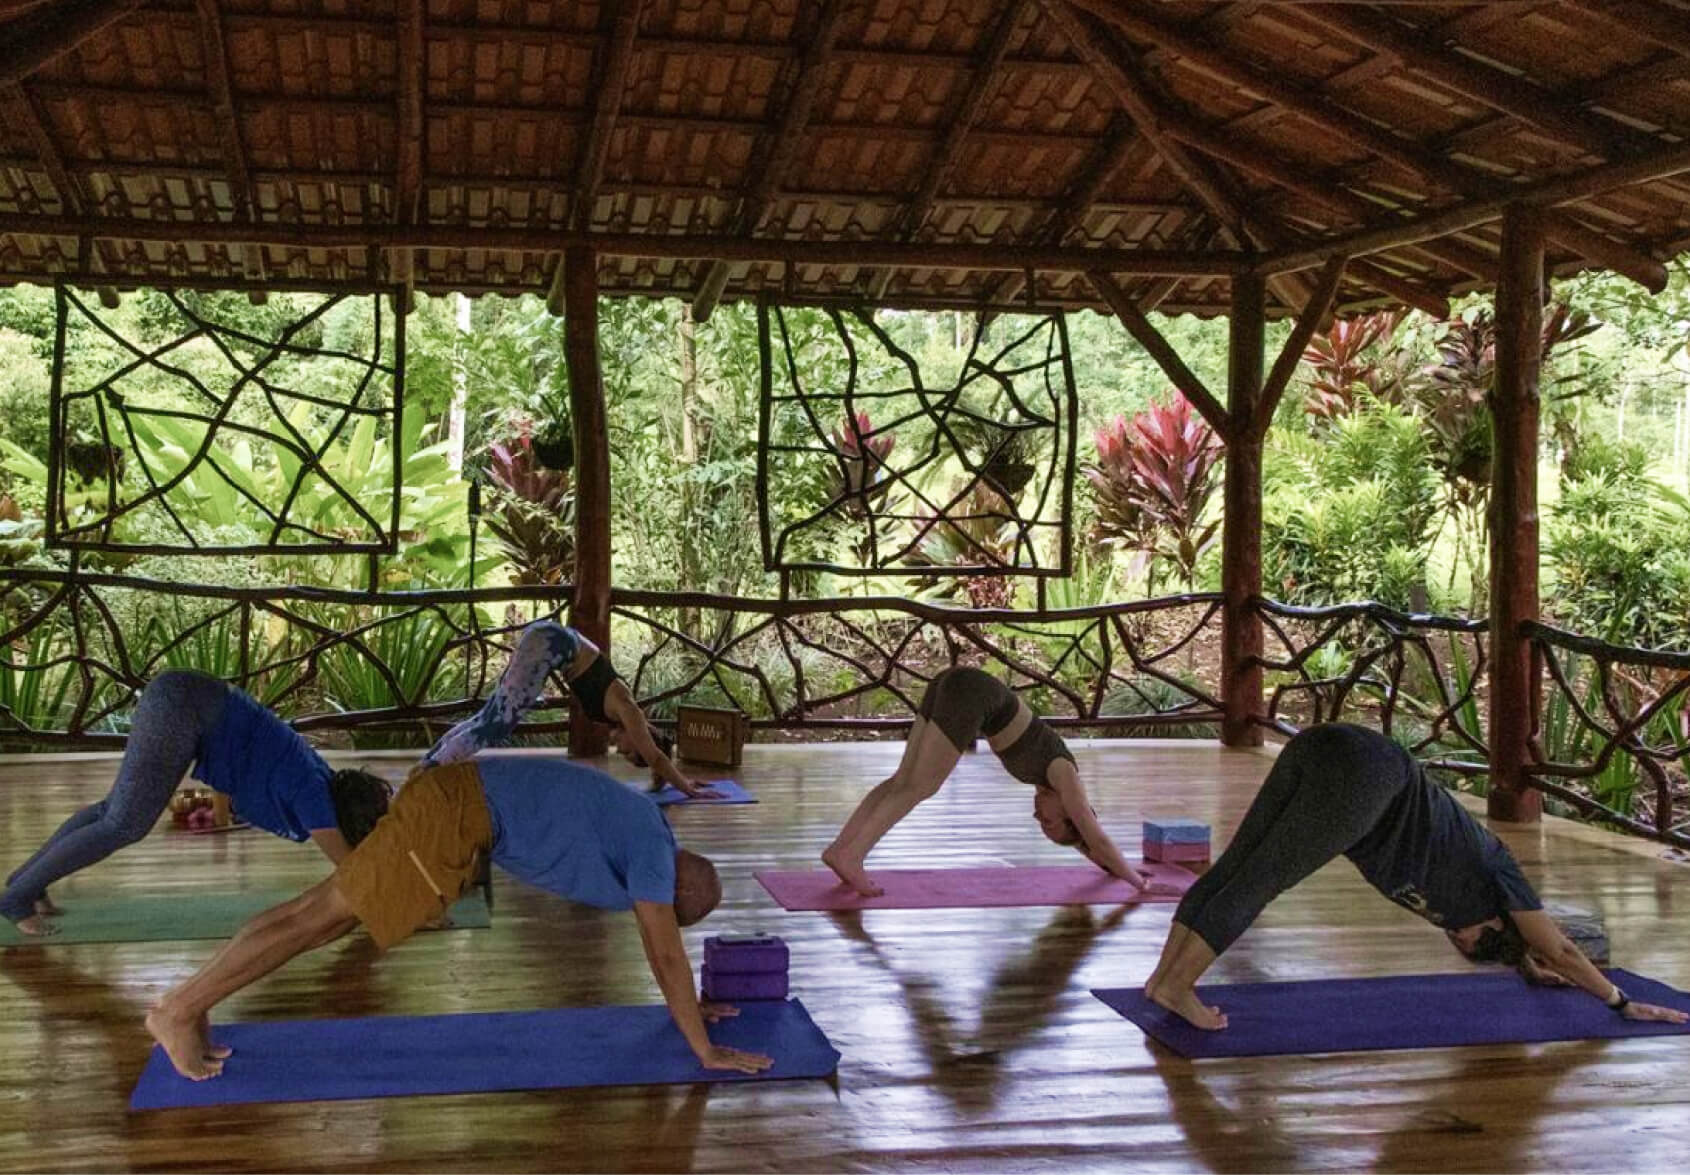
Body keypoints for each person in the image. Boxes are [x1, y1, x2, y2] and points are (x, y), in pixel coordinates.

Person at [143, 756, 774, 1080]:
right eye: (674, 912)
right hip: (453, 817)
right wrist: (703, 1046)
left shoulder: (647, 830)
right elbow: (662, 952)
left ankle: (191, 1005)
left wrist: (686, 1002)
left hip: (452, 805)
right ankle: (177, 1009)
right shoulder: (653, 859)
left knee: (322, 915)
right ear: (678, 887)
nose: (661, 916)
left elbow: (665, 947)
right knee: (321, 918)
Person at [1144, 722, 1690, 1030]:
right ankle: (1179, 986)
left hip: (1323, 749)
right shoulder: (1502, 876)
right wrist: (1618, 1001)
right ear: (1500, 922)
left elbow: (1523, 949)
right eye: (1469, 938)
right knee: (1258, 881)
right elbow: (1563, 950)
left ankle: (1162, 979)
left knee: (1239, 866)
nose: (1454, 935)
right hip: (1369, 771)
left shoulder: (1467, 908)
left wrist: (1525, 965)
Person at [1, 670, 392, 936]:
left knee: (112, 813)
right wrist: (411, 909)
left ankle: (26, 883)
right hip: (182, 708)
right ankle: (17, 899)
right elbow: (352, 870)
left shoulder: (318, 777)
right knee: (124, 823)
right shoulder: (315, 799)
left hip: (183, 697)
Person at [822, 665, 1171, 897]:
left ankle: (841, 850)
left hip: (957, 683)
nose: (1037, 817)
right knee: (920, 786)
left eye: (1041, 824)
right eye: (1048, 820)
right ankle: (853, 854)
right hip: (971, 695)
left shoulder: (1050, 785)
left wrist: (1109, 869)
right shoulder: (1066, 777)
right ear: (1073, 810)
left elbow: (1087, 843)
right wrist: (1138, 883)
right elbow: (1095, 835)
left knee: (903, 781)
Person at [422, 620, 716, 797]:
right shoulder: (628, 709)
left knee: (491, 718)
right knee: (498, 723)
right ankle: (432, 770)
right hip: (552, 644)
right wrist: (685, 785)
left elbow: (654, 760)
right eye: (629, 750)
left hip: (550, 642)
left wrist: (659, 782)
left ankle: (433, 759)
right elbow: (656, 756)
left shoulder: (622, 711)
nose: (620, 750)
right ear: (643, 735)